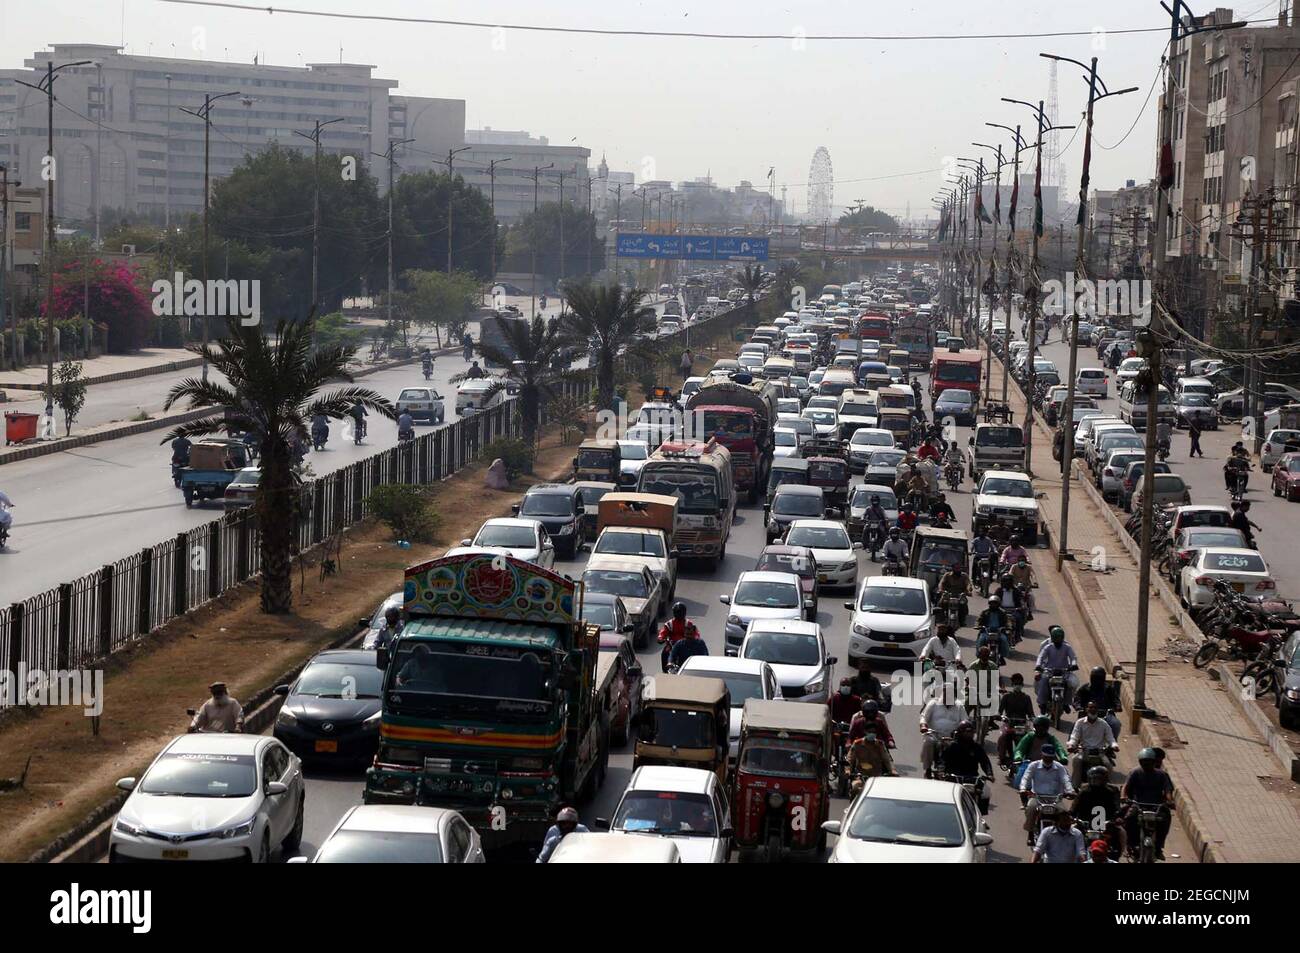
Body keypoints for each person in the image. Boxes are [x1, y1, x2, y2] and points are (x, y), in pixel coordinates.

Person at [1122, 747, 1175, 860]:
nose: (1147, 764)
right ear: (1140, 762)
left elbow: (1167, 790)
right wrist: (1123, 796)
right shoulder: (1135, 772)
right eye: (1144, 762)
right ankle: (1131, 844)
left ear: (1154, 762)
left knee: (1165, 820)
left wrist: (1170, 801)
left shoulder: (1162, 775)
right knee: (1129, 818)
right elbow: (1126, 786)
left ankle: (1159, 847)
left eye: (1149, 762)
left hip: (1157, 806)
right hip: (1138, 804)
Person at [1021, 745, 1074, 843]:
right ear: (1042, 755)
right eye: (1046, 756)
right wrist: (1023, 788)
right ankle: (1030, 834)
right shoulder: (1034, 765)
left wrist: (1070, 791)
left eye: (1050, 757)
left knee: (1064, 813)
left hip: (1055, 798)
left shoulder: (1059, 767)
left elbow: (1065, 779)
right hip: (1037, 796)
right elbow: (1026, 777)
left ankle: (1063, 835)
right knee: (1031, 809)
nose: (1048, 759)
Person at [1074, 765, 1127, 858]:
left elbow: (1117, 806)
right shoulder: (1084, 790)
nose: (1096, 781)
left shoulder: (1112, 790)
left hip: (1106, 824)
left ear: (1105, 779)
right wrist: (1071, 817)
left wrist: (1117, 818)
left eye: (1099, 779)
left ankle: (1119, 855)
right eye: (1094, 779)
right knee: (1070, 832)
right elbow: (1075, 805)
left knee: (1122, 832)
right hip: (1085, 823)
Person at [919, 682, 966, 778]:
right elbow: (924, 717)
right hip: (935, 735)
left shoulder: (959, 706)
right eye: (947, 693)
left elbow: (965, 720)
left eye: (951, 694)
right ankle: (927, 769)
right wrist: (923, 726)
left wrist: (964, 729)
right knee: (928, 742)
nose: (949, 696)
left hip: (952, 737)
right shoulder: (933, 703)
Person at [1067, 702, 1119, 786]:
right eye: (1090, 707)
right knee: (1076, 760)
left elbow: (1110, 738)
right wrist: (1071, 745)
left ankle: (1110, 787)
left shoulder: (1103, 723)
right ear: (1086, 709)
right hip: (1084, 751)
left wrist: (1114, 746)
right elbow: (1074, 736)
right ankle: (1074, 786)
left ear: (1097, 710)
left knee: (1108, 765)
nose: (1092, 709)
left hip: (1100, 752)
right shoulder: (1080, 722)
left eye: (1095, 708)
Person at [1036, 625, 1080, 710]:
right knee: (1043, 682)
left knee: (1069, 684)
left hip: (1064, 671)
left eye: (1059, 638)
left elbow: (1073, 657)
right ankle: (1042, 703)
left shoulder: (1067, 647)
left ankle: (1066, 703)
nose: (1057, 641)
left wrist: (1073, 664)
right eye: (1056, 638)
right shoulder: (1048, 647)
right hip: (1050, 671)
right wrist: (1038, 665)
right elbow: (1041, 657)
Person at [997, 673, 1036, 766]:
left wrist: (1033, 719)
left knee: (1031, 739)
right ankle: (1002, 757)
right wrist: (1001, 717)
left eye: (1019, 684)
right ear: (1012, 685)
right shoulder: (1006, 697)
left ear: (1022, 685)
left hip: (1022, 725)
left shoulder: (1026, 698)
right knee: (1002, 738)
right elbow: (999, 711)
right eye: (1015, 684)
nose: (1017, 686)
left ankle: (1029, 758)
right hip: (1009, 724)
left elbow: (1031, 713)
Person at [1074, 666, 1123, 739]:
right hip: (1086, 714)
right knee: (1075, 727)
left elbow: (1116, 699)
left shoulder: (1108, 688)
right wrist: (1078, 707)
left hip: (1106, 715)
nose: (1097, 680)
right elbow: (1077, 699)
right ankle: (1072, 744)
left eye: (1099, 678)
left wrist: (1117, 706)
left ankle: (1113, 742)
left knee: (1116, 724)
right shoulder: (1085, 688)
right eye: (1095, 678)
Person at [657, 602, 700, 673]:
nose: (679, 614)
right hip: (671, 646)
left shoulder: (689, 623)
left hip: (686, 646)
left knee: (695, 655)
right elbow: (662, 633)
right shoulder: (669, 624)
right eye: (677, 612)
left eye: (681, 612)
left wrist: (696, 638)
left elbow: (696, 633)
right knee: (664, 653)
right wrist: (660, 638)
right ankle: (665, 672)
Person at [975, 596, 1012, 662]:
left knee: (1004, 640)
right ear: (989, 603)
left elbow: (1008, 621)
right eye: (992, 603)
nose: (993, 605)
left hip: (999, 631)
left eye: (995, 603)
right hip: (986, 631)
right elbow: (978, 620)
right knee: (981, 640)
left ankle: (1003, 656)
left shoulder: (1002, 612)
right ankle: (979, 656)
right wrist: (978, 626)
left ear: (998, 604)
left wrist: (1008, 626)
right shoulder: (984, 612)